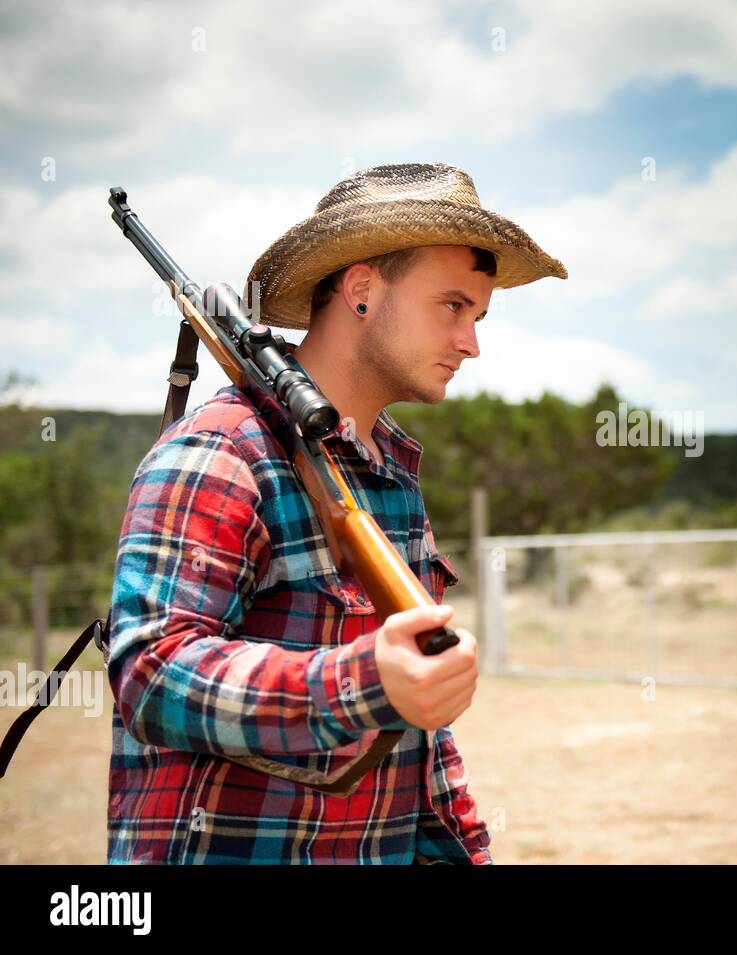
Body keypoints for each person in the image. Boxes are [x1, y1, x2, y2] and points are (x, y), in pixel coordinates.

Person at [105, 162, 567, 863]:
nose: (472, 342)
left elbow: (419, 745)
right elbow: (150, 673)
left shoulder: (390, 476)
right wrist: (360, 681)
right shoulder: (218, 451)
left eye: (477, 314)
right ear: (361, 290)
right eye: (452, 306)